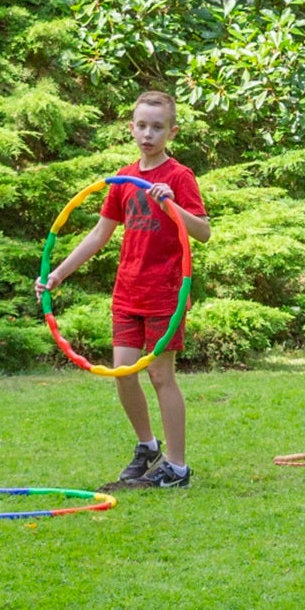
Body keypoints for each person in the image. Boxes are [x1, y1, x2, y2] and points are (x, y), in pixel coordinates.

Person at [35, 90, 210, 490]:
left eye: (158, 127)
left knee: (160, 376)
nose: (148, 134)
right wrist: (58, 274)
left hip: (165, 290)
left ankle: (177, 468)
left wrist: (173, 206)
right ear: (131, 128)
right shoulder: (123, 179)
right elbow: (99, 234)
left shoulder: (179, 177)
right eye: (142, 126)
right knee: (123, 374)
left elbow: (203, 232)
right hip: (127, 292)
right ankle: (148, 447)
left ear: (172, 132)